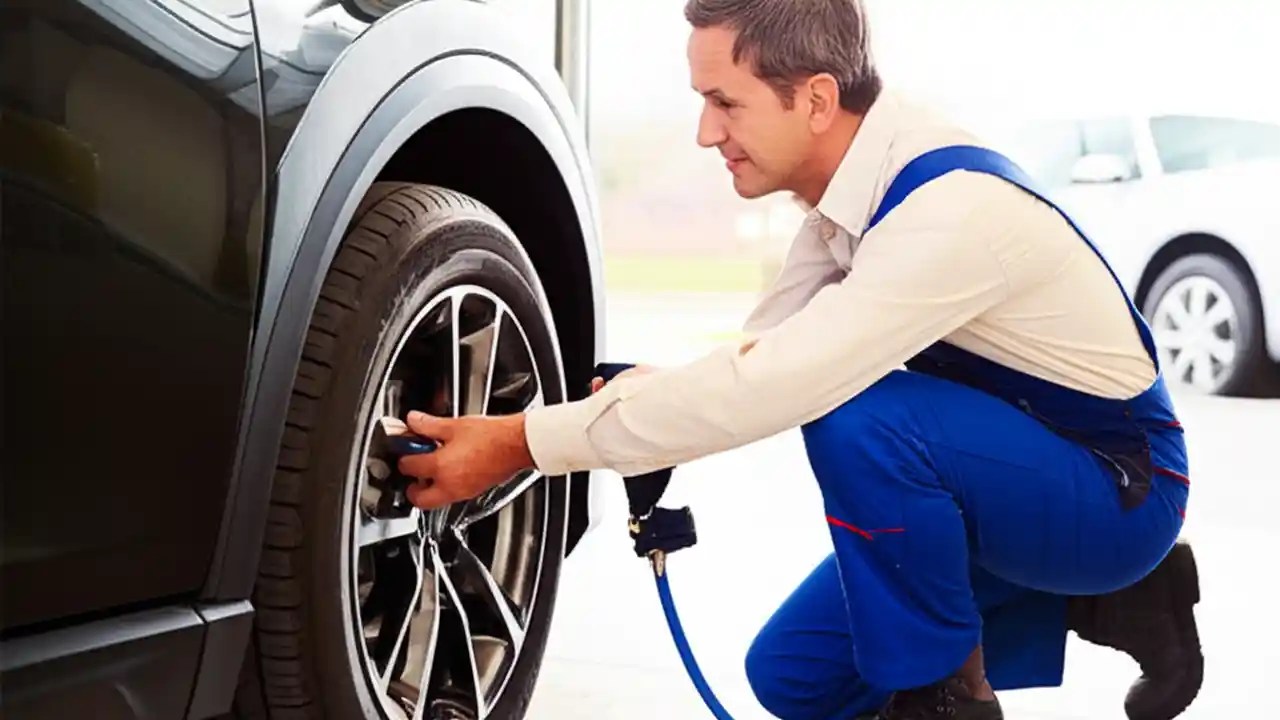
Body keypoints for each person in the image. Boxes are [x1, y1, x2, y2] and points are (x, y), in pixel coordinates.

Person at [395, 0, 1203, 718]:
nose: (707, 132)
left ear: (815, 98)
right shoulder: (856, 185)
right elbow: (769, 352)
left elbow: (781, 384)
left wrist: (520, 443)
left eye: (724, 103)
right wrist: (642, 401)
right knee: (794, 678)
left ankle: (950, 702)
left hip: (1118, 490)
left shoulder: (946, 214)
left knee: (859, 418)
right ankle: (1119, 606)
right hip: (1022, 476)